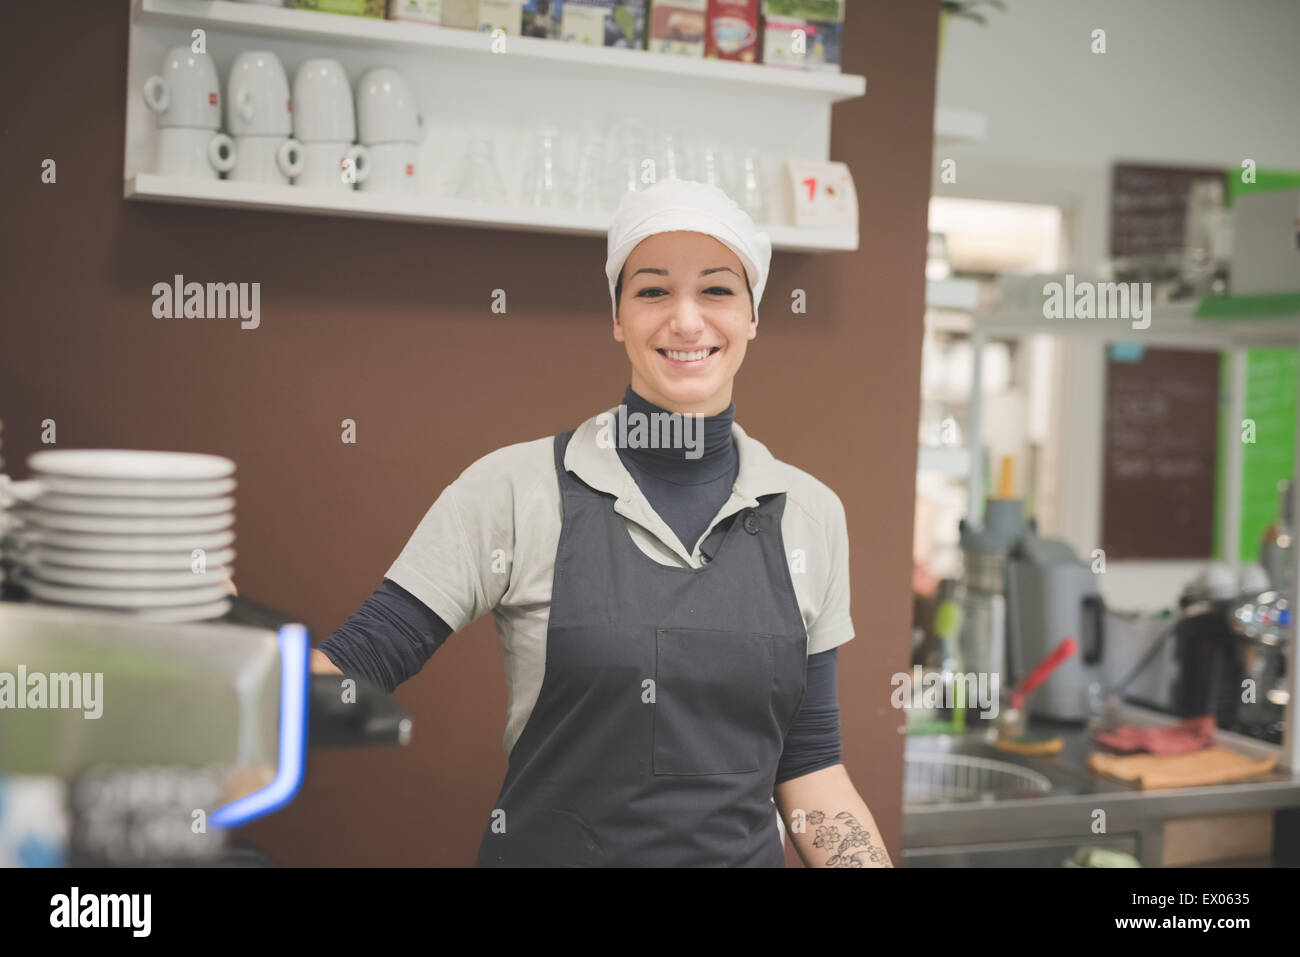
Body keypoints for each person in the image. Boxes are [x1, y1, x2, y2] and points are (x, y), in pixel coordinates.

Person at [311, 178, 891, 868]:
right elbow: (355, 664)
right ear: (618, 316)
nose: (685, 320)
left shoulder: (810, 513)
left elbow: (813, 765)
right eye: (651, 291)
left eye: (716, 290)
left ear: (752, 316)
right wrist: (215, 655)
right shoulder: (513, 489)